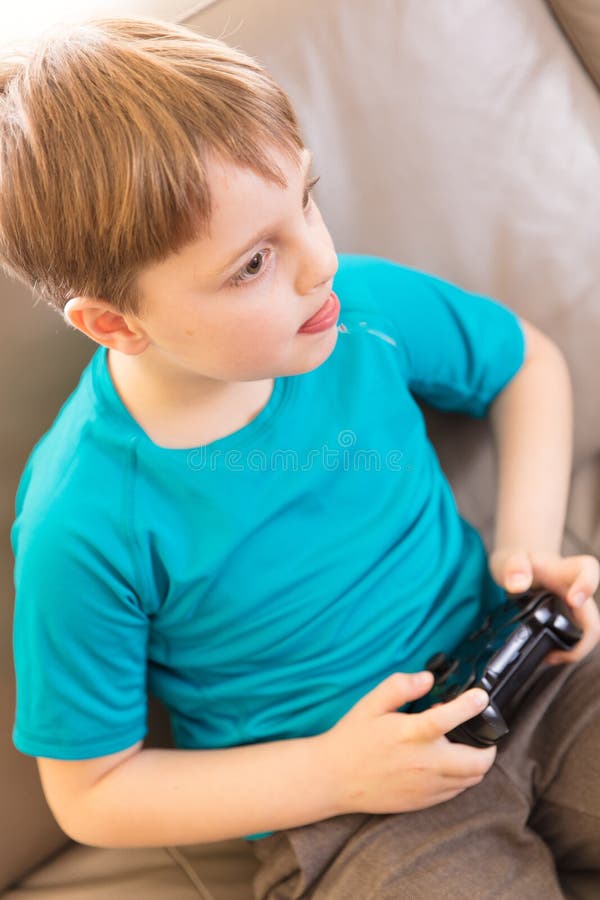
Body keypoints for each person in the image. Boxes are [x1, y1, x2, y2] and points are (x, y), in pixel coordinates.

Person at [2, 16, 599, 900]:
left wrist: (524, 544)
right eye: (252, 263)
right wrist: (335, 775)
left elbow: (524, 363)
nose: (319, 261)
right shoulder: (82, 521)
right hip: (353, 814)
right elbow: (91, 791)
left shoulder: (357, 307)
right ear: (114, 324)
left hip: (528, 674)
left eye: (307, 199)